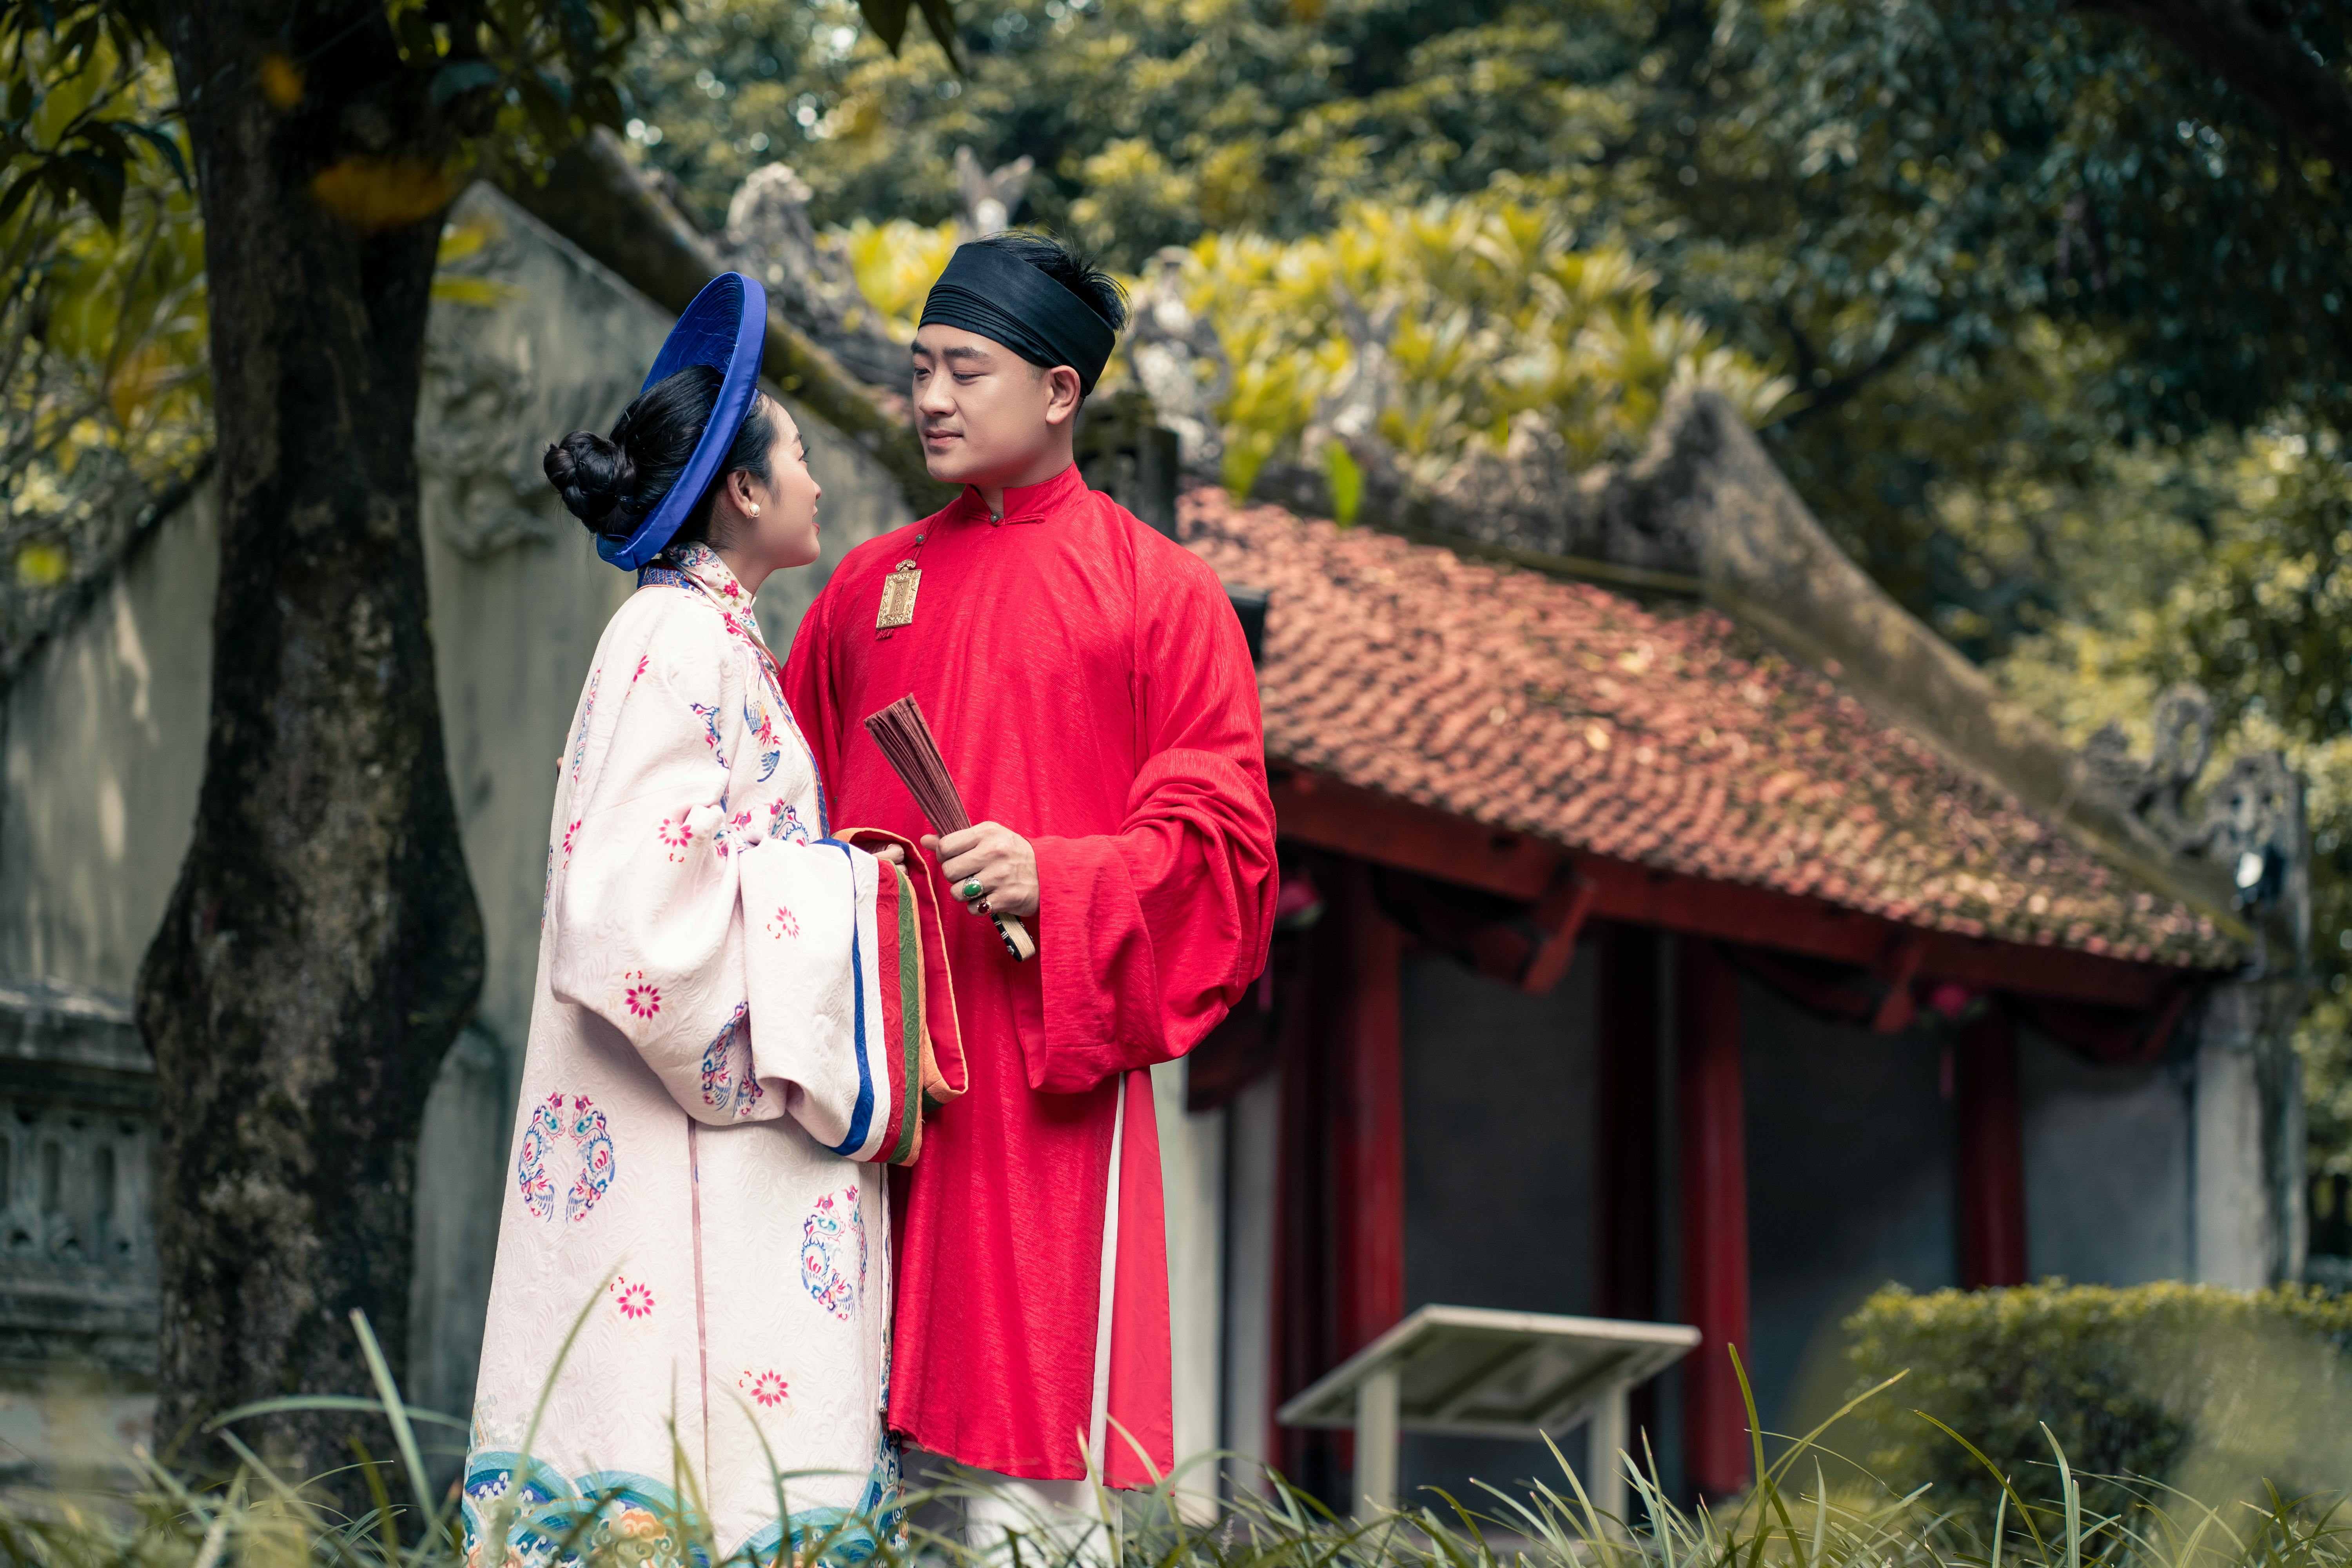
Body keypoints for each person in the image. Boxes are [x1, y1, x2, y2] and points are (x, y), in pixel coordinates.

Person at [462, 273, 965, 1568]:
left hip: (697, 1151)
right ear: (743, 491)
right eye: (794, 451)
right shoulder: (676, 645)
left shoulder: (702, 640)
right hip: (687, 1154)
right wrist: (846, 900)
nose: (812, 472)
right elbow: (627, 921)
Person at [780, 234, 1279, 1534]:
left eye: (965, 369)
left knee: (1023, 1474)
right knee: (821, 1437)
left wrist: (1058, 876)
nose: (931, 398)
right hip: (869, 1078)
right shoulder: (862, 589)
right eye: (921, 369)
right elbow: (776, 804)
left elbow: (1225, 850)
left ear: (1061, 393)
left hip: (1034, 1078)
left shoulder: (1161, 595)